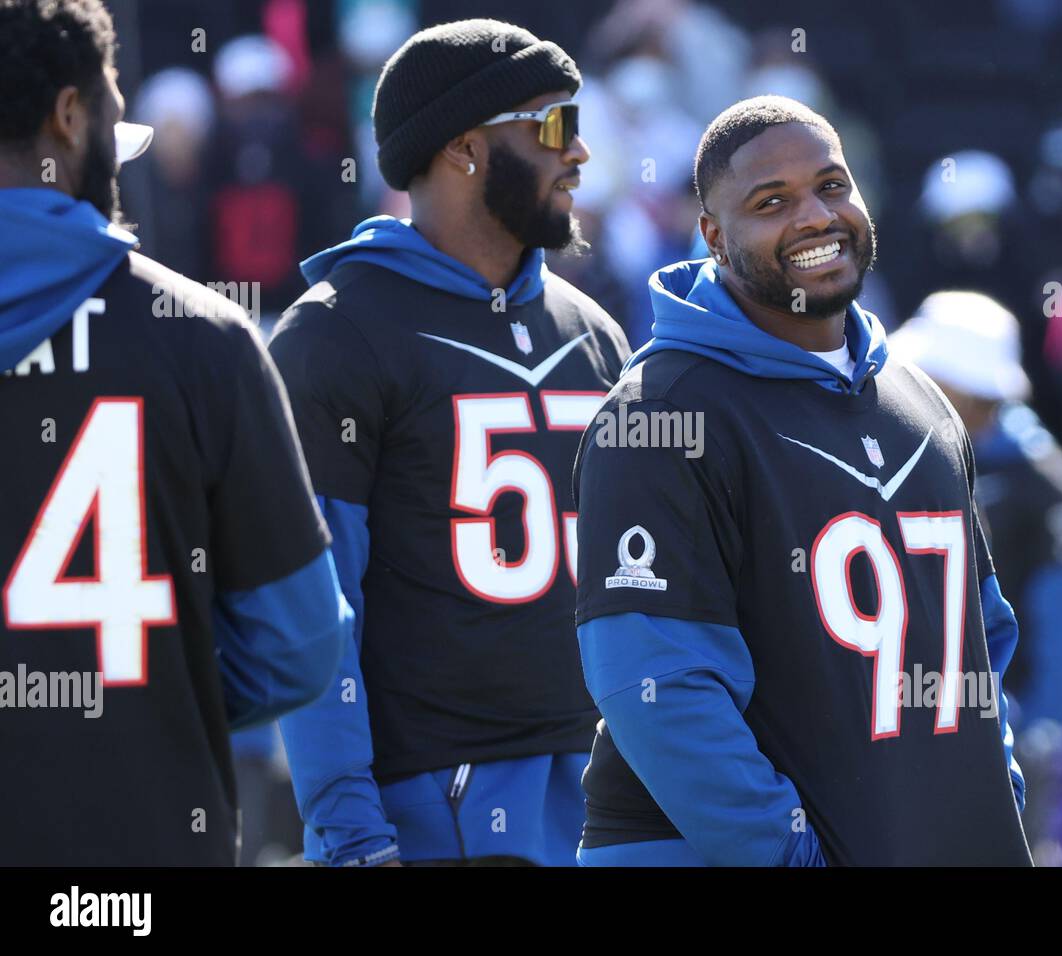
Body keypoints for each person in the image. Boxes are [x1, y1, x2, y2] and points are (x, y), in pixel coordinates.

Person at [572, 96, 1030, 866]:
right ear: (713, 235)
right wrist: (793, 858)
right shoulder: (658, 414)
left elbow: (977, 647)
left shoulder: (922, 403)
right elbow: (656, 689)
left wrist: (991, 798)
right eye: (771, 201)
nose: (816, 216)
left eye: (831, 185)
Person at [270, 19, 630, 867]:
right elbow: (313, 623)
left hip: (612, 806)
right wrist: (353, 837)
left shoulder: (598, 338)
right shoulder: (335, 334)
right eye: (553, 126)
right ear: (464, 149)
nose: (578, 154)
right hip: (437, 813)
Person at [0, 0, 351, 866]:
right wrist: (154, 691)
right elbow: (300, 646)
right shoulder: (205, 337)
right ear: (70, 114)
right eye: (114, 92)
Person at [889, 291, 1062, 730]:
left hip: (997, 728)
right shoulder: (897, 457)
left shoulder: (1039, 483)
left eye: (928, 376)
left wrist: (1041, 726)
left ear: (961, 391)